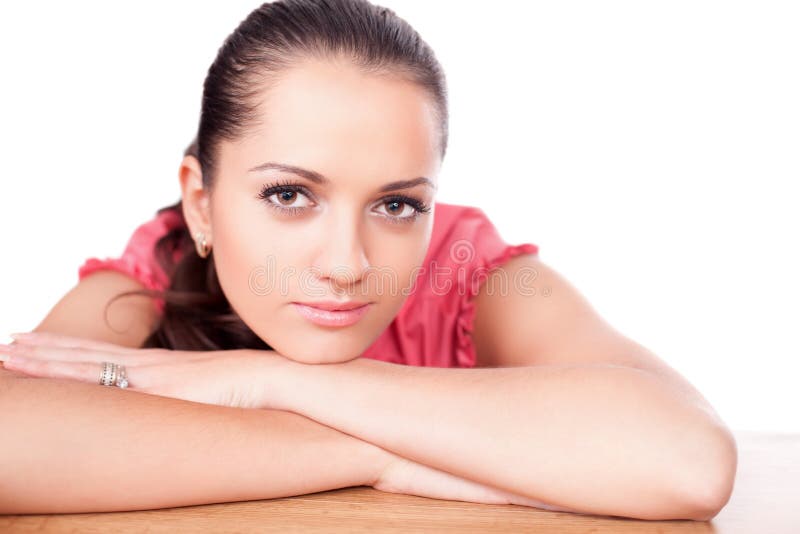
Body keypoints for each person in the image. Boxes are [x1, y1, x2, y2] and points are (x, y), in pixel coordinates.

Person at [0, 0, 736, 520]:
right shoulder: (154, 275)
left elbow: (687, 459)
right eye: (290, 195)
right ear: (200, 203)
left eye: (397, 205)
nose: (348, 264)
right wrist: (383, 456)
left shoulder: (467, 272)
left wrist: (269, 380)